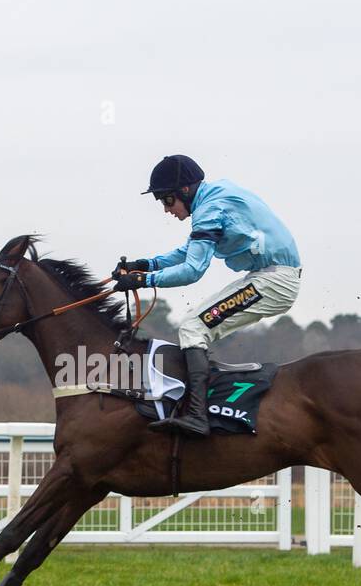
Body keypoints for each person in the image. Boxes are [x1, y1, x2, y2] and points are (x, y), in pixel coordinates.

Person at [113, 154, 301, 436]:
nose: (166, 210)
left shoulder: (210, 209)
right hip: (269, 276)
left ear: (184, 191)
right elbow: (187, 251)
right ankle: (203, 405)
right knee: (196, 326)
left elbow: (192, 270)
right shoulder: (214, 197)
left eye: (166, 200)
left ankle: (198, 415)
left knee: (192, 326)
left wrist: (143, 280)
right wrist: (146, 265)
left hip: (274, 281)